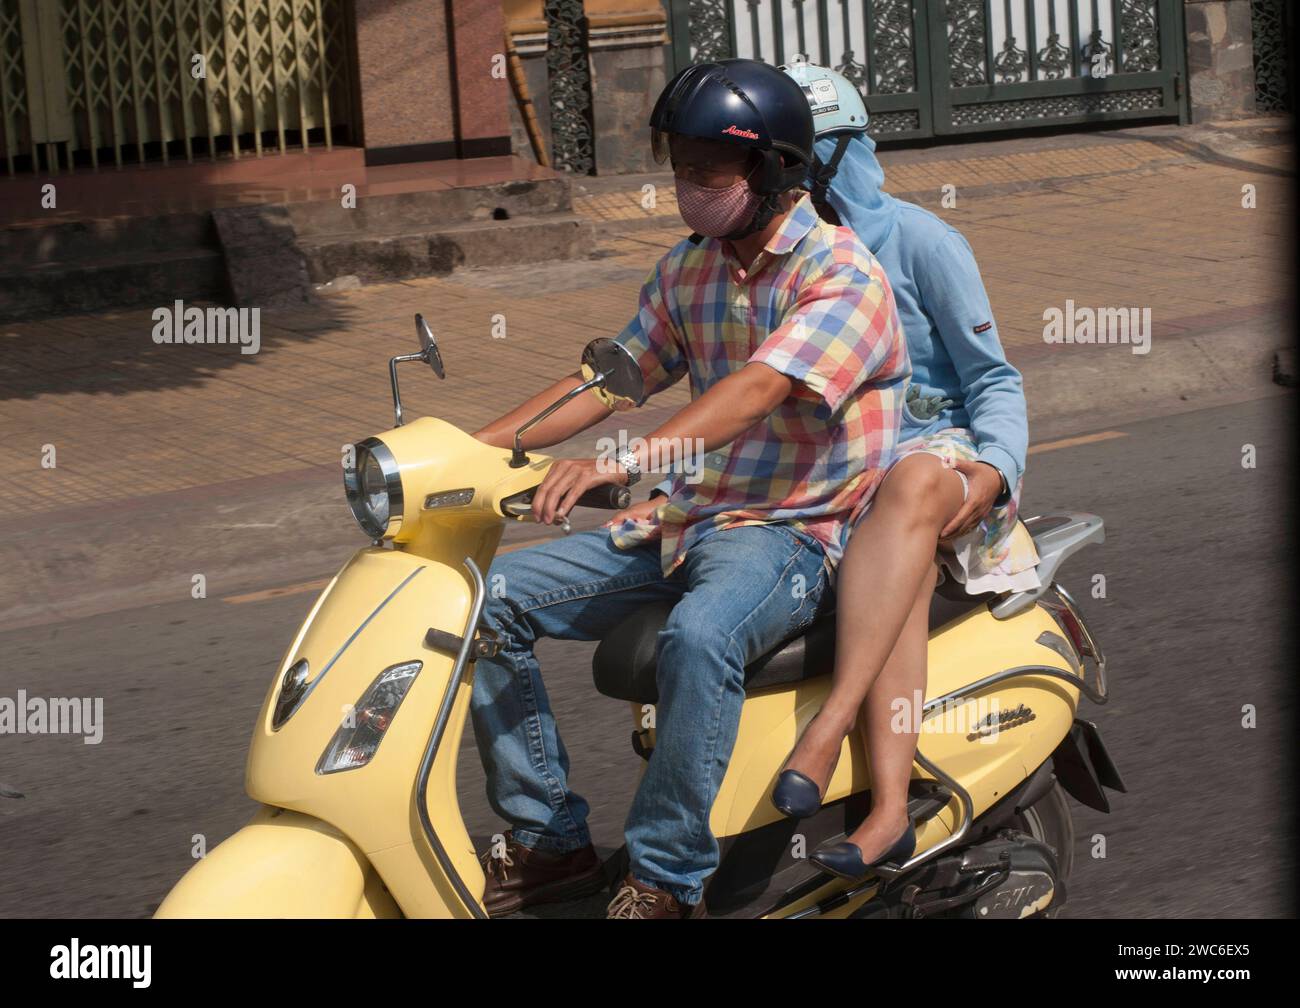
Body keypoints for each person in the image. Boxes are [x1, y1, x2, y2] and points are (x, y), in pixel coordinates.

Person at [467, 58, 908, 918]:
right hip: (687, 520)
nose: (686, 185)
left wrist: (625, 460)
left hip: (791, 535)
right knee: (488, 600)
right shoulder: (690, 268)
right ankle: (550, 838)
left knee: (701, 635)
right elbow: (607, 381)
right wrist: (469, 449)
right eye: (679, 166)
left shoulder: (841, 277)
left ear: (774, 169)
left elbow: (758, 389)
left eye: (708, 169)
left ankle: (666, 879)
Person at [624, 61, 1040, 881]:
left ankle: (852, 753)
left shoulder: (919, 243)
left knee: (909, 488)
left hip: (935, 463)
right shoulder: (763, 254)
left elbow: (993, 378)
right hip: (829, 479)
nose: (799, 179)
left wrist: (995, 466)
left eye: (817, 159)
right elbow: (747, 395)